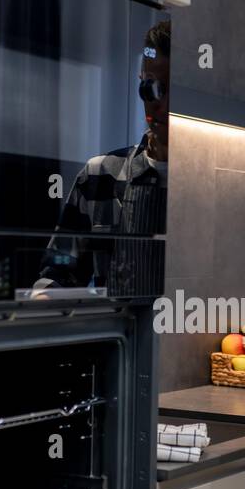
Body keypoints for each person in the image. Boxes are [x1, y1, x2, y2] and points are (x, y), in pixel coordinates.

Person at [31, 20, 170, 295]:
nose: (162, 105)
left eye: (175, 91)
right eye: (153, 89)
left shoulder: (214, 187)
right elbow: (58, 273)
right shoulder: (100, 174)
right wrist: (44, 299)